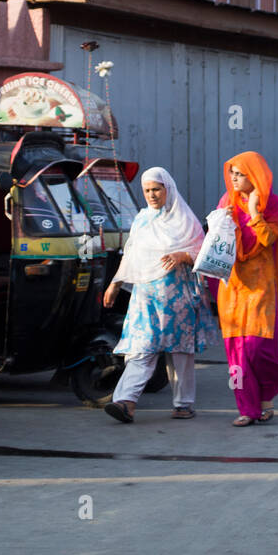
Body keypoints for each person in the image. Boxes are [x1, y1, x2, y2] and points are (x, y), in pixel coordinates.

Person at [103, 167, 218, 422]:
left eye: (157, 189)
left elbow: (205, 256)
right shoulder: (142, 220)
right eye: (147, 191)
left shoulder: (185, 220)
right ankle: (125, 403)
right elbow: (131, 255)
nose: (152, 195)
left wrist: (183, 256)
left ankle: (183, 404)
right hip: (146, 297)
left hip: (179, 298)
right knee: (142, 347)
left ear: (168, 189)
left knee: (181, 352)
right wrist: (115, 283)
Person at [214, 151, 278, 427]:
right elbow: (217, 241)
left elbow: (269, 240)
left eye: (240, 173)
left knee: (258, 346)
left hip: (260, 284)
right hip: (233, 285)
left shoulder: (272, 203)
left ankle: (267, 394)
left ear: (254, 175)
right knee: (237, 349)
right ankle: (246, 408)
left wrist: (255, 212)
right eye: (231, 173)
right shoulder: (227, 202)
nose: (233, 178)